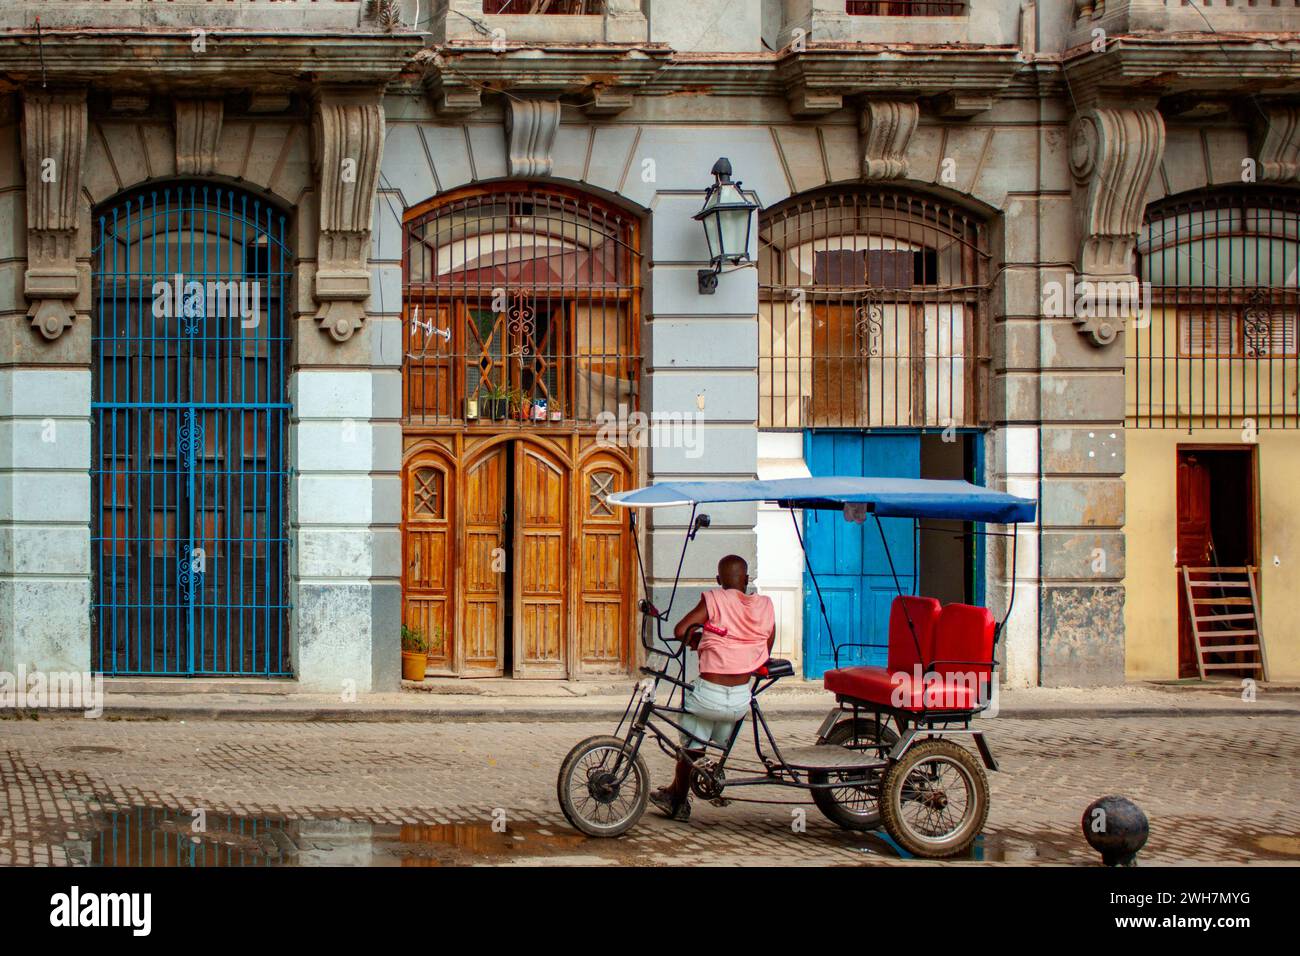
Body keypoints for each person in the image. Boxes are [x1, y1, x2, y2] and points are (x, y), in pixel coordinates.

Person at [649, 554, 775, 821]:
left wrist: (698, 638)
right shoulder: (764, 605)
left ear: (719, 581)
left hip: (708, 698)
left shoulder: (714, 599)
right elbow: (763, 649)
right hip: (741, 700)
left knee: (691, 742)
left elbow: (680, 629)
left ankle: (677, 799)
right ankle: (681, 787)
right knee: (704, 728)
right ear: (747, 579)